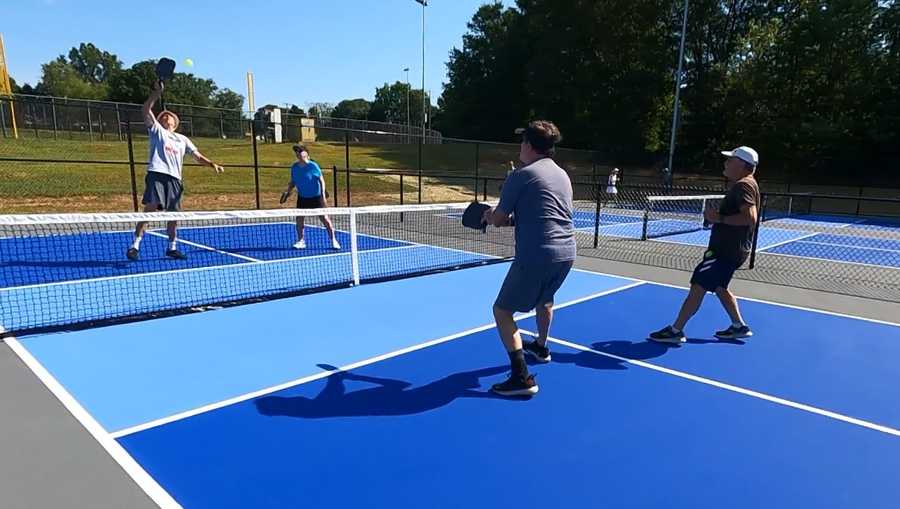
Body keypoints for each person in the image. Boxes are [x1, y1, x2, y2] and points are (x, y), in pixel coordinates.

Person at [482, 120, 577, 397]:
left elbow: (498, 219)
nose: (520, 146)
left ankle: (521, 377)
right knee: (545, 300)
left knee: (502, 311)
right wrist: (510, 220)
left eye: (522, 141)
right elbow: (545, 215)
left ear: (528, 145)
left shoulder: (520, 176)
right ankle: (542, 346)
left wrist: (489, 216)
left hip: (537, 253)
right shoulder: (562, 175)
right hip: (566, 253)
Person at [649, 146, 761, 344]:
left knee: (698, 285)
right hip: (731, 250)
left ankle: (676, 330)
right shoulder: (747, 184)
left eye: (730, 160)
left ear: (742, 165)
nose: (726, 164)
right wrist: (717, 219)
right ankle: (738, 325)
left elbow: (750, 218)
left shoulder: (743, 185)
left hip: (724, 252)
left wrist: (718, 218)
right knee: (719, 287)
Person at [127, 81, 224, 261]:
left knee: (174, 214)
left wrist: (212, 164)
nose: (165, 117)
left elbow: (197, 156)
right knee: (151, 208)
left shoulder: (183, 139)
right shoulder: (157, 131)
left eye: (168, 116)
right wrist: (157, 93)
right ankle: (135, 245)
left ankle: (172, 247)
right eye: (162, 116)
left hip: (175, 179)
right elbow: (146, 109)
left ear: (175, 122)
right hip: (157, 173)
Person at [280, 144, 340, 250]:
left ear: (306, 154)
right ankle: (301, 241)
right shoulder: (294, 167)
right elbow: (293, 181)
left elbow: (321, 180)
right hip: (302, 198)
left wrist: (323, 196)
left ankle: (333, 240)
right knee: (299, 219)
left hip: (316, 198)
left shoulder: (313, 166)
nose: (299, 153)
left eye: (301, 151)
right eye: (297, 152)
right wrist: (288, 191)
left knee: (324, 219)